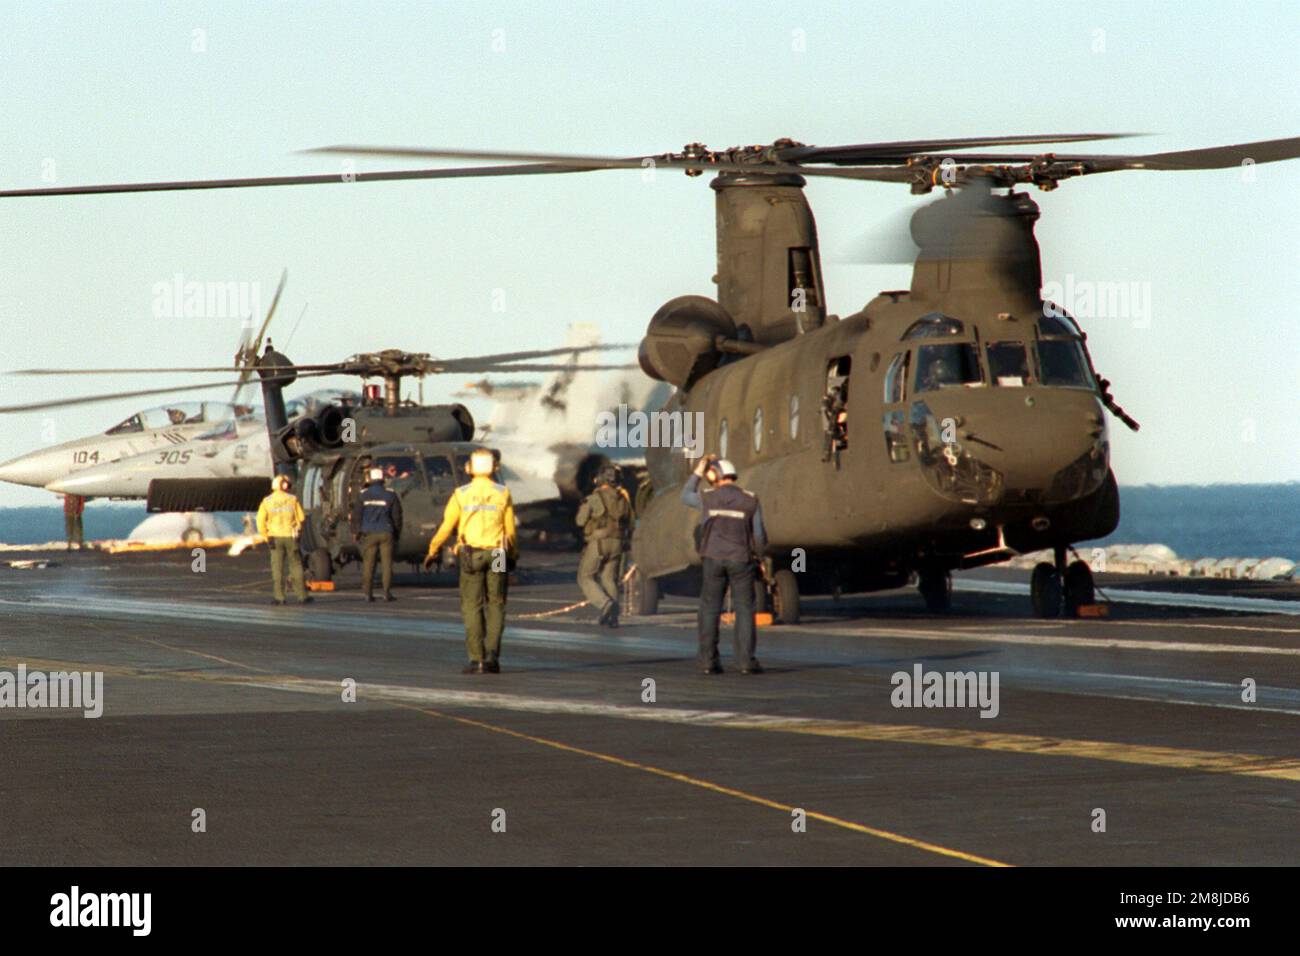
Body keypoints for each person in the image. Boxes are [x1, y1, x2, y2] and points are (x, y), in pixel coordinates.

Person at [422, 448, 518, 674]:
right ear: (495, 468)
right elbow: (511, 532)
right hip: (498, 554)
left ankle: (478, 660)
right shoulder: (503, 493)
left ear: (469, 469)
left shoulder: (461, 493)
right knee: (496, 603)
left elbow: (447, 527)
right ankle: (493, 655)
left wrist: (432, 550)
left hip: (470, 555)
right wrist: (512, 556)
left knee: (472, 606)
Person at [681, 456, 768, 675]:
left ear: (714, 476)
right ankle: (746, 662)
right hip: (741, 559)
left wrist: (697, 472)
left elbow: (684, 496)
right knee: (745, 609)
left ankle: (709, 661)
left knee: (710, 608)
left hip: (712, 558)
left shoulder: (707, 498)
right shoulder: (751, 499)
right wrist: (759, 558)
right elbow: (758, 536)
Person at [575, 464, 631, 627]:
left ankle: (605, 604)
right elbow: (630, 521)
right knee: (608, 578)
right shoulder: (623, 499)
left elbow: (580, 521)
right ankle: (613, 617)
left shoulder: (594, 497)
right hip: (618, 543)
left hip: (599, 542)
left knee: (585, 577)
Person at [256, 474, 311, 606]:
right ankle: (302, 596)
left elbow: (260, 521)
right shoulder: (292, 499)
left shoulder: (267, 501)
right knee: (296, 566)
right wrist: (297, 528)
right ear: (285, 485)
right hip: (291, 536)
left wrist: (265, 536)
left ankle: (279, 597)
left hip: (274, 537)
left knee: (277, 568)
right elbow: (302, 518)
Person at [352, 465, 402, 602]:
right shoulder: (390, 494)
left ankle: (368, 593)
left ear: (370, 479)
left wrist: (355, 531)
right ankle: (386, 593)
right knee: (387, 564)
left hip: (369, 533)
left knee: (368, 564)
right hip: (386, 532)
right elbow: (397, 516)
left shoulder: (363, 495)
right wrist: (396, 532)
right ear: (382, 479)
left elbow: (357, 515)